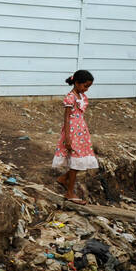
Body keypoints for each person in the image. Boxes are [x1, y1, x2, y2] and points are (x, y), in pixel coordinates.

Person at [53, 69, 97, 203]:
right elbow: (66, 119)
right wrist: (67, 137)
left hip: (81, 132)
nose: (87, 89)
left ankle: (63, 179)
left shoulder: (81, 97)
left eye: (88, 87)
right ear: (77, 83)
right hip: (72, 132)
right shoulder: (70, 97)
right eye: (85, 86)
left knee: (79, 160)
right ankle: (69, 193)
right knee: (76, 162)